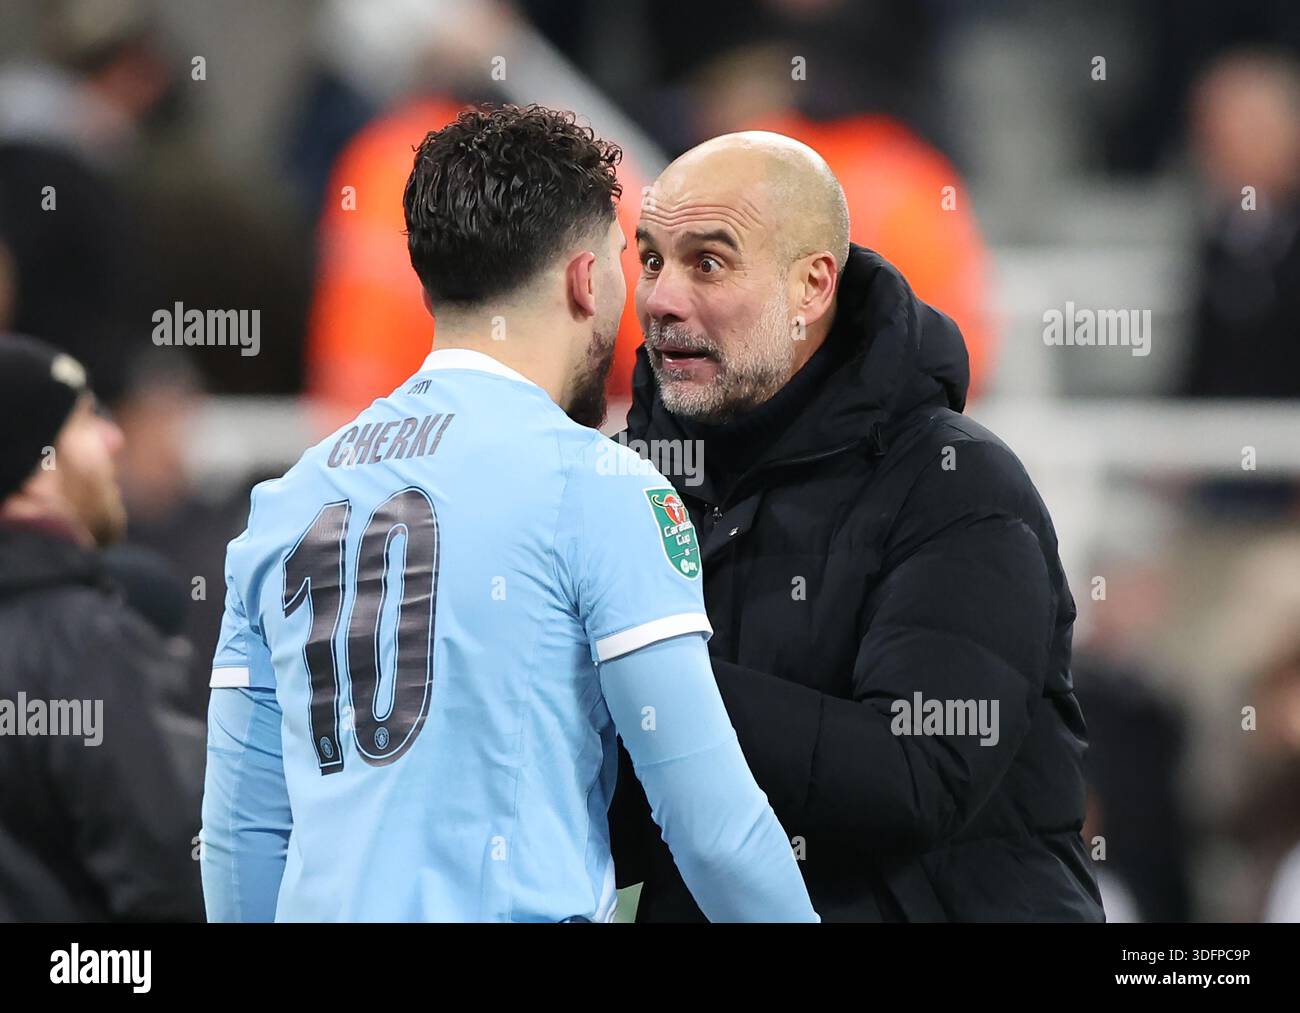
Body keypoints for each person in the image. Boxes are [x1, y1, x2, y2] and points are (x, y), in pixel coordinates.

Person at [200, 105, 816, 923]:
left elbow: (241, 837)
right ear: (584, 280)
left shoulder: (284, 505)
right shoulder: (599, 487)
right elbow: (716, 833)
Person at [611, 131, 1103, 922]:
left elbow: (917, 775)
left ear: (812, 287)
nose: (663, 298)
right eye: (653, 259)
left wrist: (645, 675)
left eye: (708, 262)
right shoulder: (625, 483)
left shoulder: (958, 483)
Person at [0, 333, 204, 922]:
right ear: (37, 469)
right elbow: (170, 879)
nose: (114, 438)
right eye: (87, 420)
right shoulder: (87, 645)